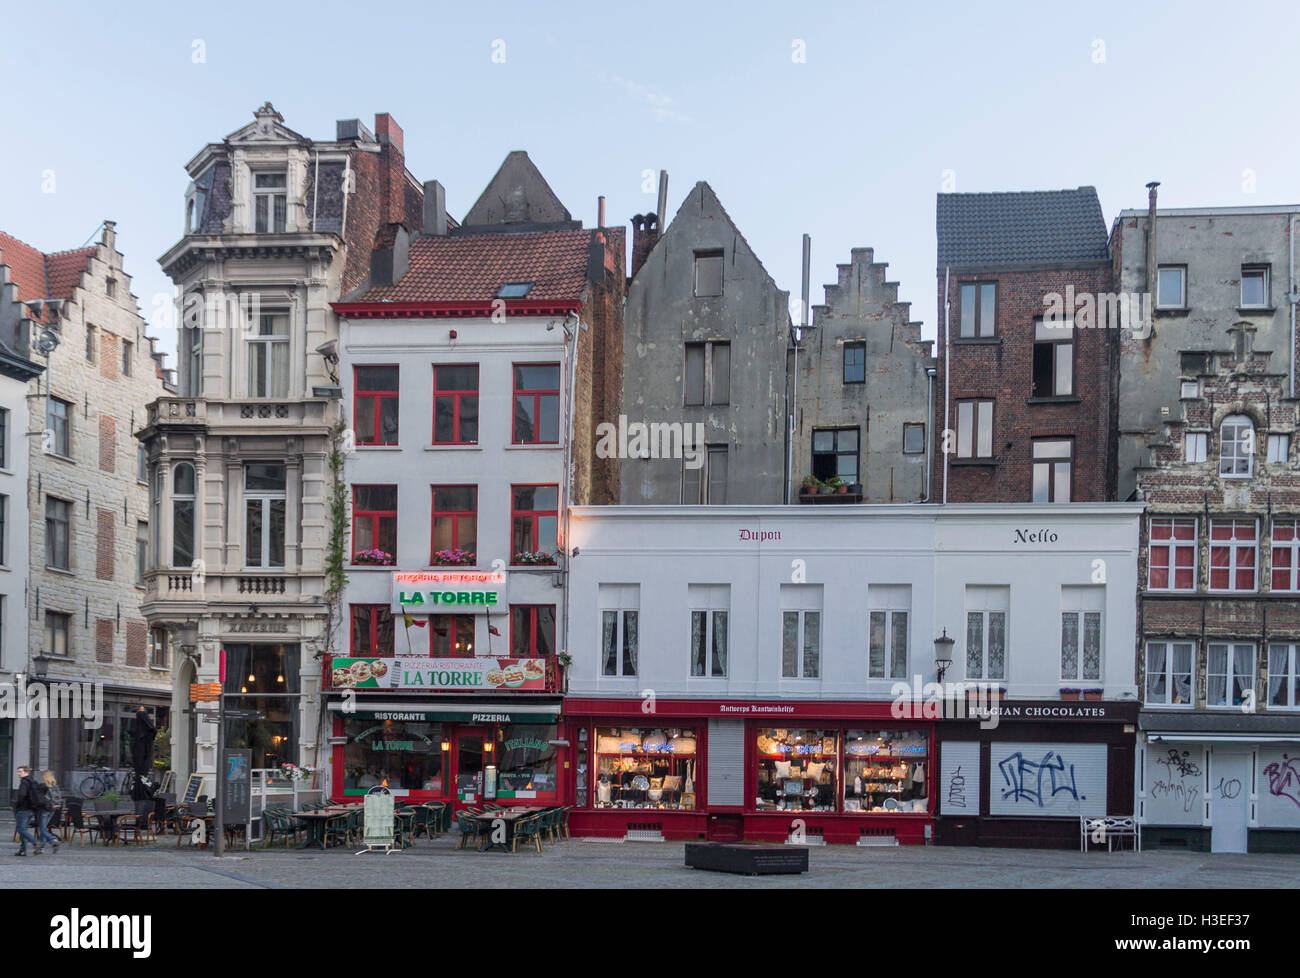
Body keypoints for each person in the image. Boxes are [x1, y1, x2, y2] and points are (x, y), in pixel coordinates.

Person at [12, 766, 40, 856]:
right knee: (24, 829)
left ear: (26, 772)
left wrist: (17, 805)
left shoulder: (24, 782)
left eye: (20, 771)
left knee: (21, 829)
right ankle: (23, 850)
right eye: (18, 771)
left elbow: (22, 795)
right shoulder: (33, 782)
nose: (18, 774)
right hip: (31, 809)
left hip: (23, 809)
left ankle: (35, 842)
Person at [36, 771, 62, 853]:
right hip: (53, 809)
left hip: (44, 809)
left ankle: (53, 840)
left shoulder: (43, 786)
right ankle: (42, 848)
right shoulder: (55, 786)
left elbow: (39, 799)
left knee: (42, 829)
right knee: (43, 828)